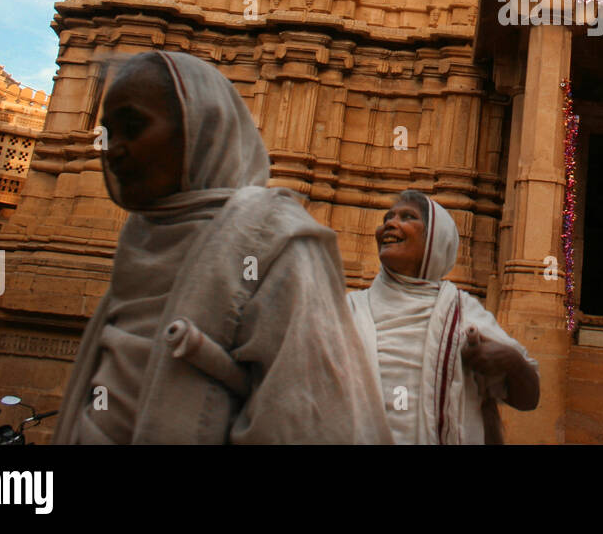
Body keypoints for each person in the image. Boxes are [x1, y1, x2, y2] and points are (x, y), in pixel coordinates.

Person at [54, 50, 390, 444]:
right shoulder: (140, 244)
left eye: (134, 127)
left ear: (203, 129)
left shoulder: (273, 240)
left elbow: (304, 421)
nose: (115, 149)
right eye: (109, 133)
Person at [348, 191, 539, 444]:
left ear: (435, 241)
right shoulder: (349, 309)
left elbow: (528, 399)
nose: (390, 224)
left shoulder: (461, 311)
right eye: (387, 217)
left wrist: (512, 361)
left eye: (407, 217)